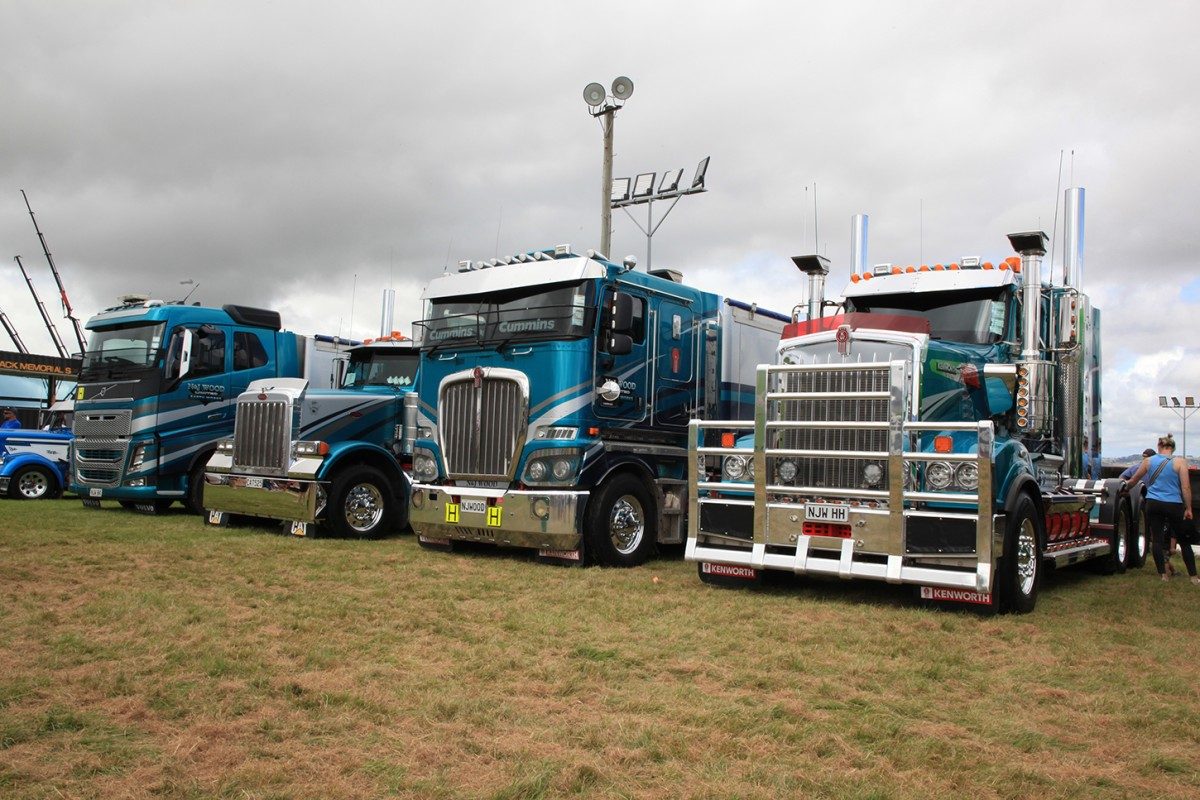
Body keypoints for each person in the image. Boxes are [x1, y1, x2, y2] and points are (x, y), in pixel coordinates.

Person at [1123, 434, 1198, 584]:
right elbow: (1186, 487)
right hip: (1174, 504)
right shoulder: (1180, 462)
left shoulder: (1148, 461)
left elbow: (1134, 480)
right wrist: (1188, 507)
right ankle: (1194, 577)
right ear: (1172, 448)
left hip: (1153, 503)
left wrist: (1124, 489)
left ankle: (1163, 576)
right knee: (1184, 541)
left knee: (1156, 540)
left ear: (1159, 447)